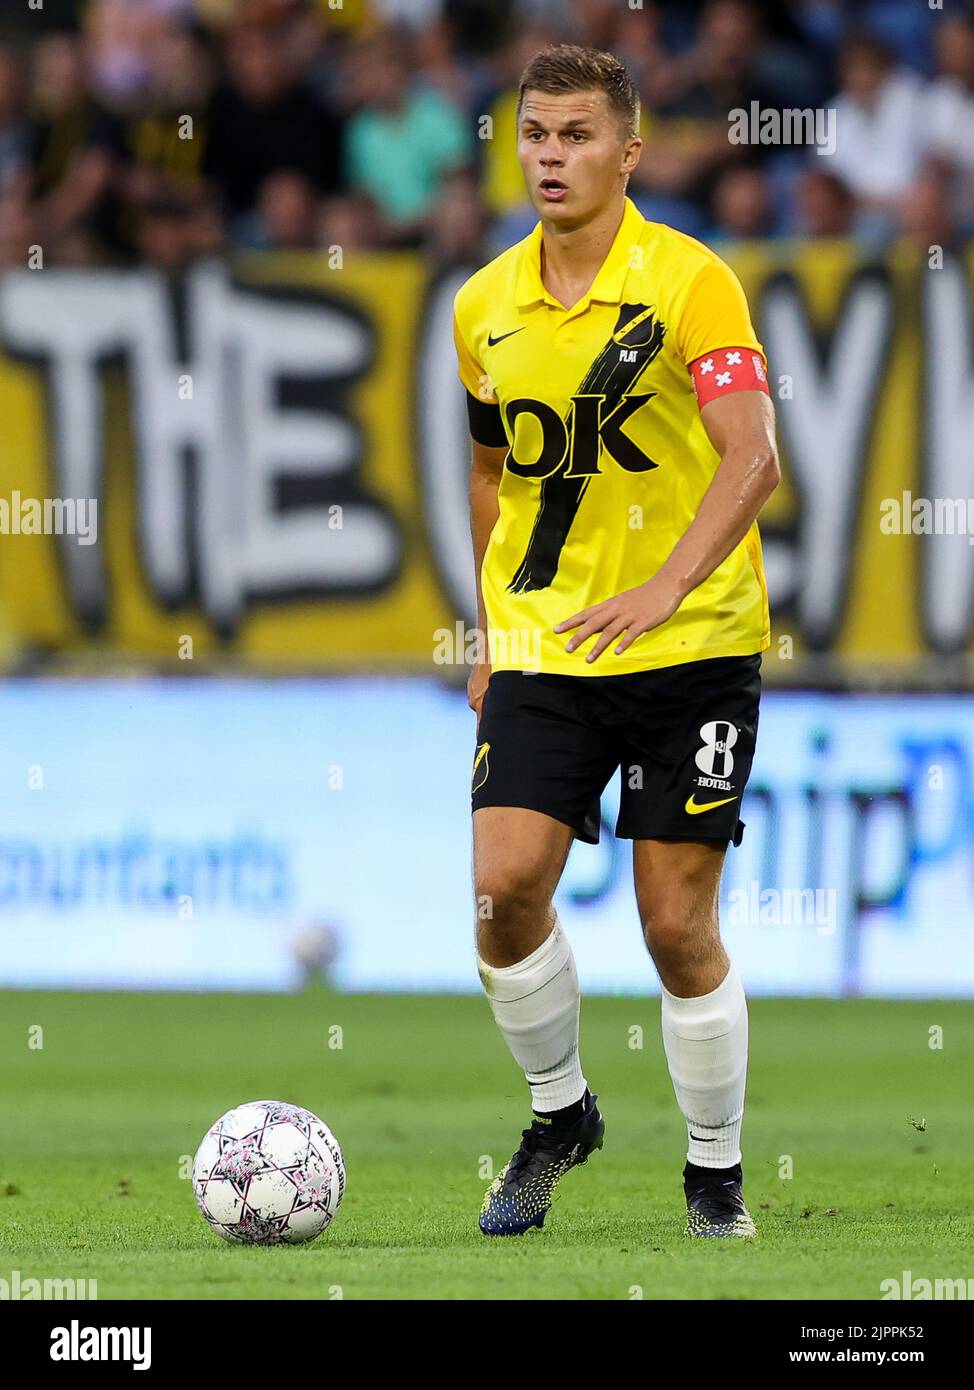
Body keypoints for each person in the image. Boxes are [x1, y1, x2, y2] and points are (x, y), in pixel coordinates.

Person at [453, 43, 780, 1239]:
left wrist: (662, 587)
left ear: (627, 151)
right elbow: (490, 472)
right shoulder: (482, 305)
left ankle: (712, 1175)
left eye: (577, 135)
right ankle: (560, 1112)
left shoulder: (690, 284)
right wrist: (490, 633)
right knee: (500, 890)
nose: (551, 155)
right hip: (546, 646)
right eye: (535, 134)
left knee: (673, 925)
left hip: (689, 641)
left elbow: (752, 456)